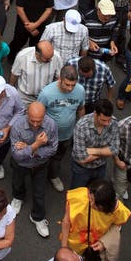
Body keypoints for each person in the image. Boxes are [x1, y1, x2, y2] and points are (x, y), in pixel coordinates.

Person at [9, 100, 59, 238]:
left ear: (45, 115)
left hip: (40, 164)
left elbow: (53, 148)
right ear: (26, 114)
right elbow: (17, 156)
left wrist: (31, 148)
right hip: (21, 164)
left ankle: (37, 217)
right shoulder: (17, 126)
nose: (36, 124)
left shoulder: (51, 125)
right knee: (18, 182)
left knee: (40, 192)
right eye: (32, 121)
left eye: (39, 121)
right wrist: (37, 144)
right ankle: (18, 197)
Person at [61, 178, 131, 261]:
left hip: (94, 247)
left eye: (96, 204)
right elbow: (66, 221)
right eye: (91, 199)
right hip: (74, 244)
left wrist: (103, 243)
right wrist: (64, 248)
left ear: (107, 205)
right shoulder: (79, 198)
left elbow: (117, 227)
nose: (91, 204)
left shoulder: (118, 210)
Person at [38, 63, 86, 193]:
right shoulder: (46, 93)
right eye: (67, 84)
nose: (70, 89)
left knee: (58, 158)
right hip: (47, 136)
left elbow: (81, 108)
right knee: (42, 158)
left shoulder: (80, 90)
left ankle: (53, 176)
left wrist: (80, 128)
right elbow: (38, 114)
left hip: (66, 135)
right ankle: (38, 179)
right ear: (60, 78)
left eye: (73, 85)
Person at [71, 98, 120, 188]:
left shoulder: (113, 122)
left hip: (101, 166)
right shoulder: (81, 126)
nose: (107, 123)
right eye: (103, 120)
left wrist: (92, 150)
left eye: (108, 120)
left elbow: (115, 149)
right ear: (95, 114)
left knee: (97, 194)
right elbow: (81, 158)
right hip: (82, 169)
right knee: (77, 194)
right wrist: (105, 152)